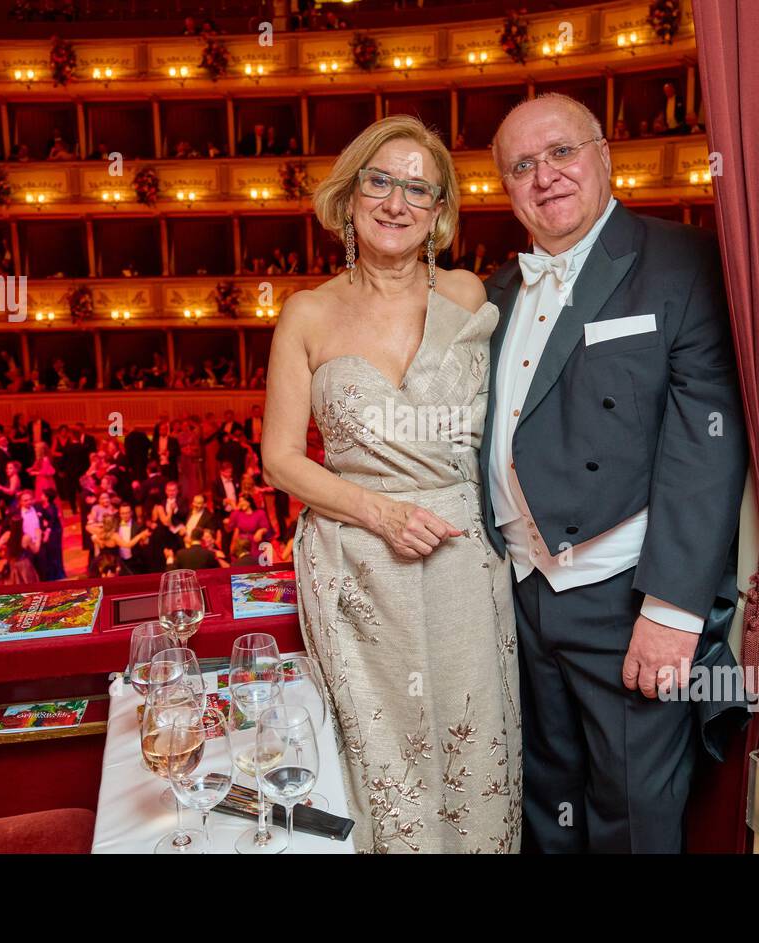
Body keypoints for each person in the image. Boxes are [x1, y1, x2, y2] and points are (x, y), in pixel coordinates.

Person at [481, 94, 749, 853]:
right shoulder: (497, 292)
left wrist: (672, 612)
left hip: (626, 597)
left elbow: (708, 443)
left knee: (634, 813)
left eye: (562, 152)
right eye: (522, 166)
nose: (546, 176)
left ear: (604, 156)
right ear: (506, 189)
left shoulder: (683, 260)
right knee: (544, 799)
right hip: (522, 594)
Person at [263, 114, 521, 853]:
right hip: (358, 568)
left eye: (419, 188)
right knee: (384, 764)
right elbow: (280, 458)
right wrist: (379, 513)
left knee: (474, 747)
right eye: (380, 180)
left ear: (440, 213)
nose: (396, 201)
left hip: (464, 563)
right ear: (349, 197)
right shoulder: (305, 313)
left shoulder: (471, 296)